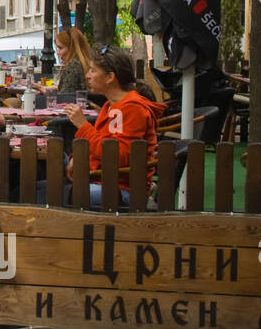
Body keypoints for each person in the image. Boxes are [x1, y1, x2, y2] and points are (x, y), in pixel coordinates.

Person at [46, 45, 166, 207]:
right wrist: (77, 157)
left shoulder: (132, 109)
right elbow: (101, 142)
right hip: (104, 181)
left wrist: (83, 126)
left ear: (110, 77)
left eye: (93, 71)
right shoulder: (111, 105)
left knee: (43, 194)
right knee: (36, 188)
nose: (87, 76)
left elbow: (117, 155)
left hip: (122, 191)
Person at [33, 27, 91, 97]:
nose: (58, 53)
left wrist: (41, 89)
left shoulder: (73, 66)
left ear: (72, 48)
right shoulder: (84, 62)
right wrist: (44, 88)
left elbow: (63, 97)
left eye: (60, 48)